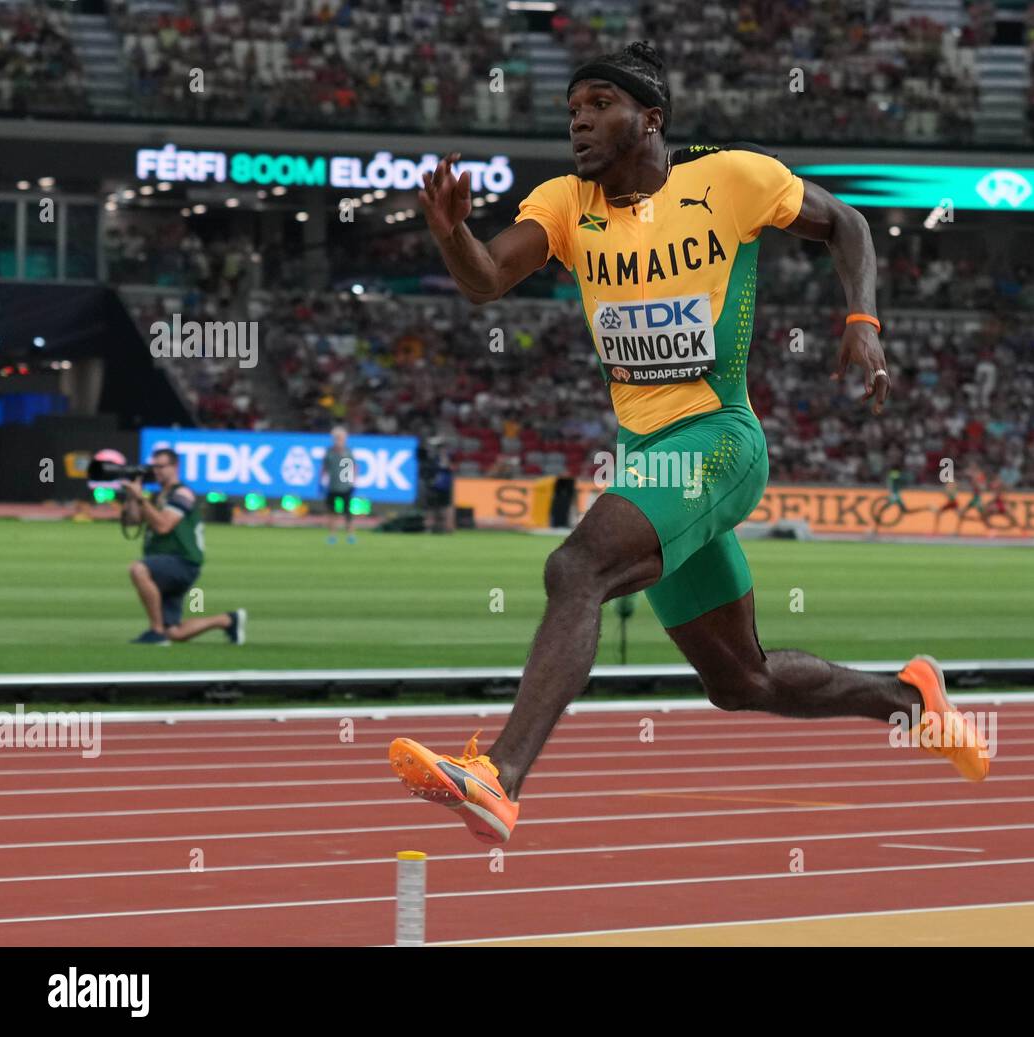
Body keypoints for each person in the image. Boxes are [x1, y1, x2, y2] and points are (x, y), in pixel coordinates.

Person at [388, 42, 988, 846]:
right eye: (573, 111)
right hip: (649, 460)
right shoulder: (567, 203)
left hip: (718, 440)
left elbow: (847, 222)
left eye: (599, 104)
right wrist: (454, 232)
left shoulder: (731, 179)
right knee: (743, 678)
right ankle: (912, 699)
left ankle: (499, 776)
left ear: (650, 117)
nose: (580, 123)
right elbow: (489, 275)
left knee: (575, 566)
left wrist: (862, 322)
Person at [122, 448, 246, 646]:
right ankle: (228, 620)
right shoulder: (158, 496)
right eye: (154, 467)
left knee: (138, 569)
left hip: (181, 561)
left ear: (175, 467)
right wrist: (132, 495)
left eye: (162, 466)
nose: (157, 471)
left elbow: (163, 526)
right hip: (166, 562)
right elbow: (132, 522)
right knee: (175, 633)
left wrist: (141, 499)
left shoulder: (182, 493)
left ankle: (155, 632)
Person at [321, 426, 356, 544]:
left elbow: (354, 467)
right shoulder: (329, 452)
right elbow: (324, 468)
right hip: (332, 486)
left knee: (348, 513)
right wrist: (321, 482)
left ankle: (350, 535)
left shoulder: (348, 452)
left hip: (346, 486)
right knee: (332, 512)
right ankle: (332, 535)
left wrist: (353, 481)